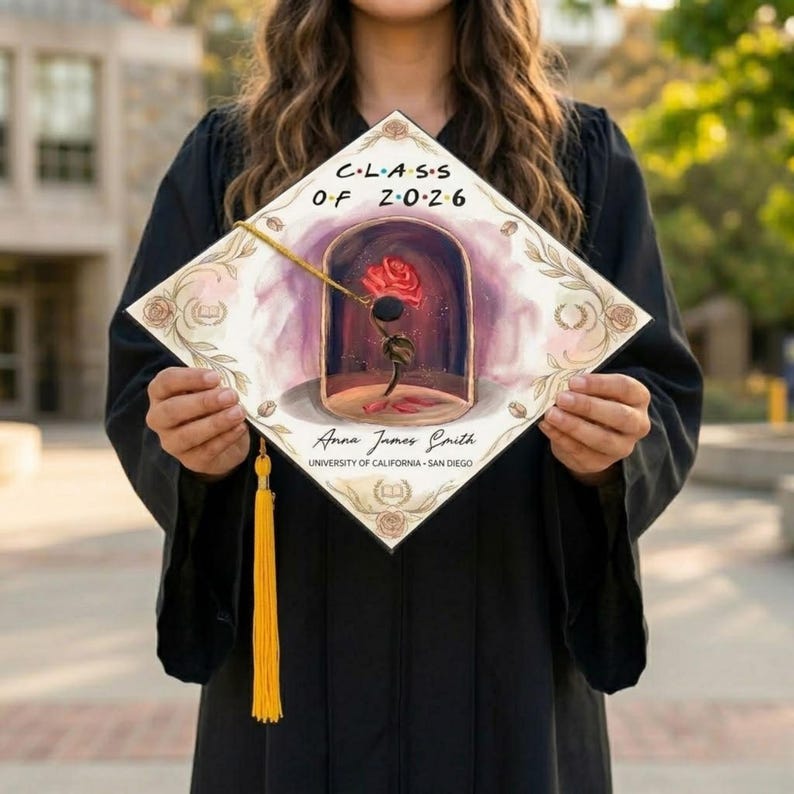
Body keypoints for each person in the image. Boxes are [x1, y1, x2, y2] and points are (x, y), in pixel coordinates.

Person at [105, 1, 703, 791]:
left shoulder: (580, 157)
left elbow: (658, 391)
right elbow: (147, 383)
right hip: (302, 643)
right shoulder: (229, 158)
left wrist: (611, 456)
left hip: (505, 645)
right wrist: (191, 451)